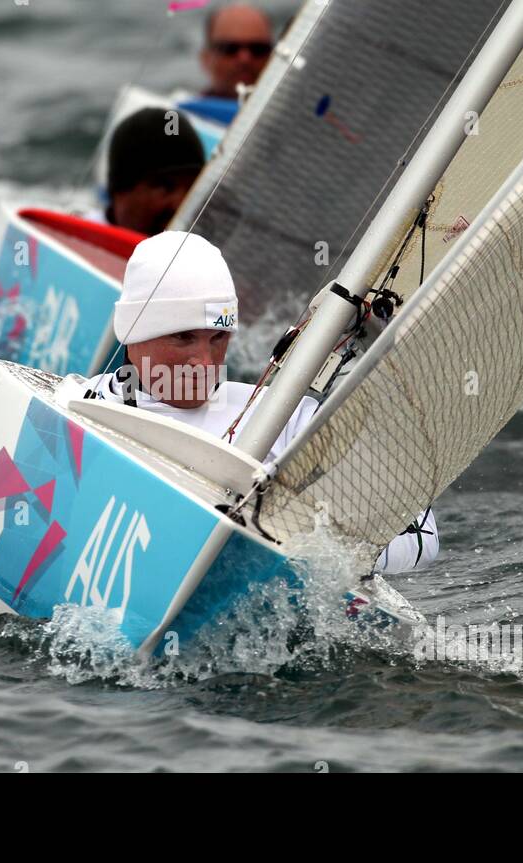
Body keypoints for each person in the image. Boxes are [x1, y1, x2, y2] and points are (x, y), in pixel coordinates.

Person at [84, 231, 439, 574]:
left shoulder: (284, 417)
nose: (206, 363)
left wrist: (304, 546)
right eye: (184, 337)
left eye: (218, 338)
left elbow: (421, 535)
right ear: (133, 332)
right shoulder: (79, 407)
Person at [99, 107, 206, 235]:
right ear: (120, 191)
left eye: (192, 188)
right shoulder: (74, 245)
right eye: (166, 187)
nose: (180, 203)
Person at [200, 4, 274, 100]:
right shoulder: (184, 113)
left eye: (258, 49)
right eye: (230, 48)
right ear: (206, 58)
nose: (244, 59)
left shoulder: (296, 112)